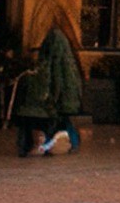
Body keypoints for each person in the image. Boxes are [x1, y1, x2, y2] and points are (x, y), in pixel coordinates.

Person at [35, 26, 85, 155]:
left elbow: (55, 80)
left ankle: (47, 146)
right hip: (68, 99)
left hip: (59, 99)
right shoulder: (70, 62)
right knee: (65, 121)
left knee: (51, 122)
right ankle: (73, 143)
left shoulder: (54, 61)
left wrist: (51, 96)